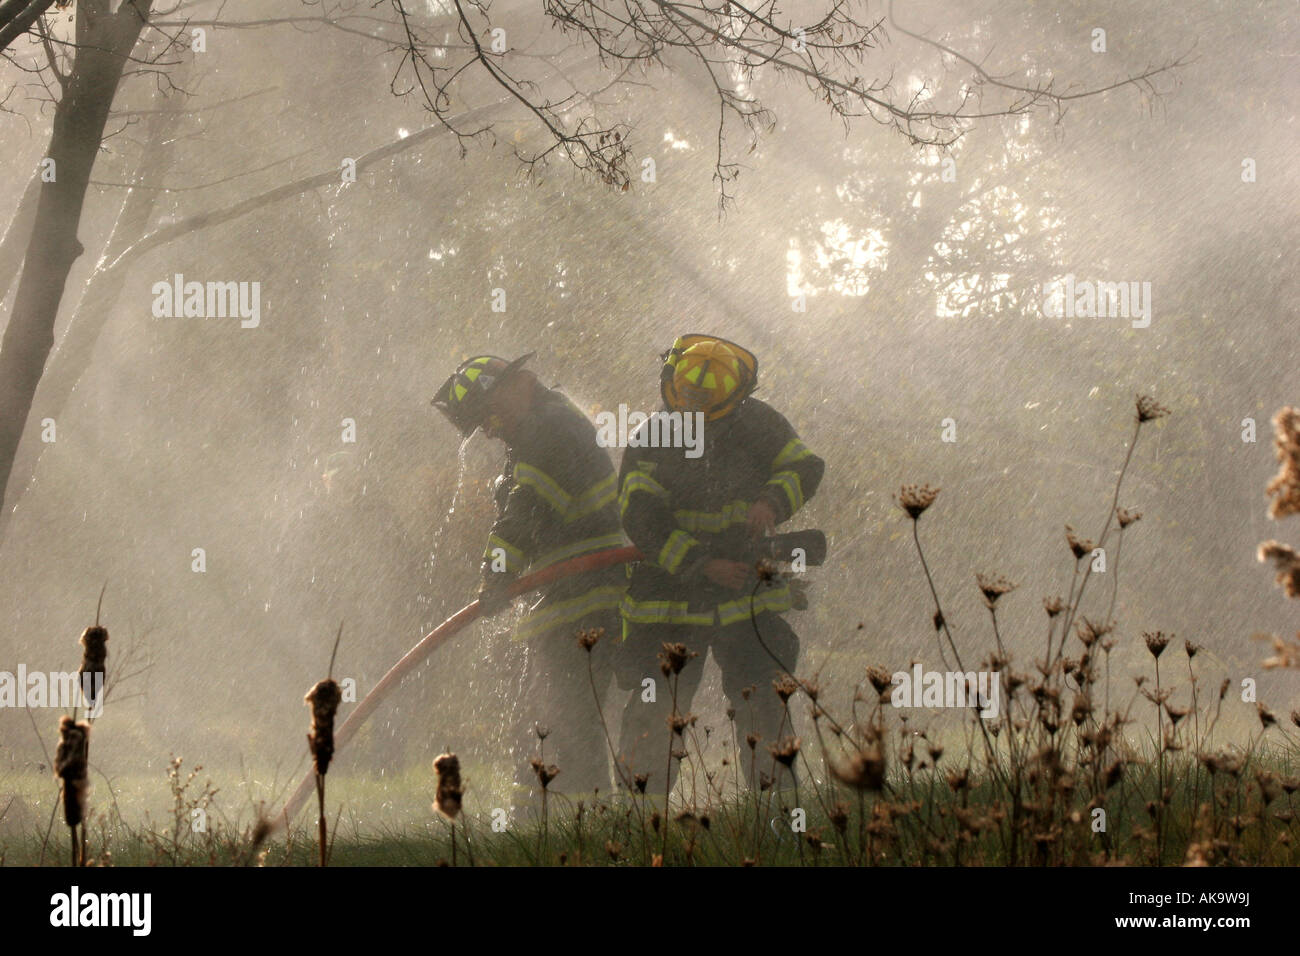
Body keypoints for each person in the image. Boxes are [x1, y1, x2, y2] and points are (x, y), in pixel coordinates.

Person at [615, 334, 824, 795]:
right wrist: (701, 565)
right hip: (669, 605)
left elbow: (805, 466)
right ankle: (640, 829)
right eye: (687, 398)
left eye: (706, 403)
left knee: (764, 709)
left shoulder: (759, 424)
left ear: (735, 395)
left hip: (745, 600)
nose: (693, 410)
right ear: (674, 384)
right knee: (654, 713)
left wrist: (772, 500)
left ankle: (778, 822)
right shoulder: (653, 436)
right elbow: (640, 519)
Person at [431, 353, 629, 809]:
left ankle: (569, 822)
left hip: (583, 597)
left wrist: (496, 573)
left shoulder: (547, 430)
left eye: (490, 414)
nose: (489, 429)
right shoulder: (543, 427)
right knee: (553, 717)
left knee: (565, 717)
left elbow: (526, 510)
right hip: (571, 595)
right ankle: (549, 821)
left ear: (520, 384)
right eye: (481, 422)